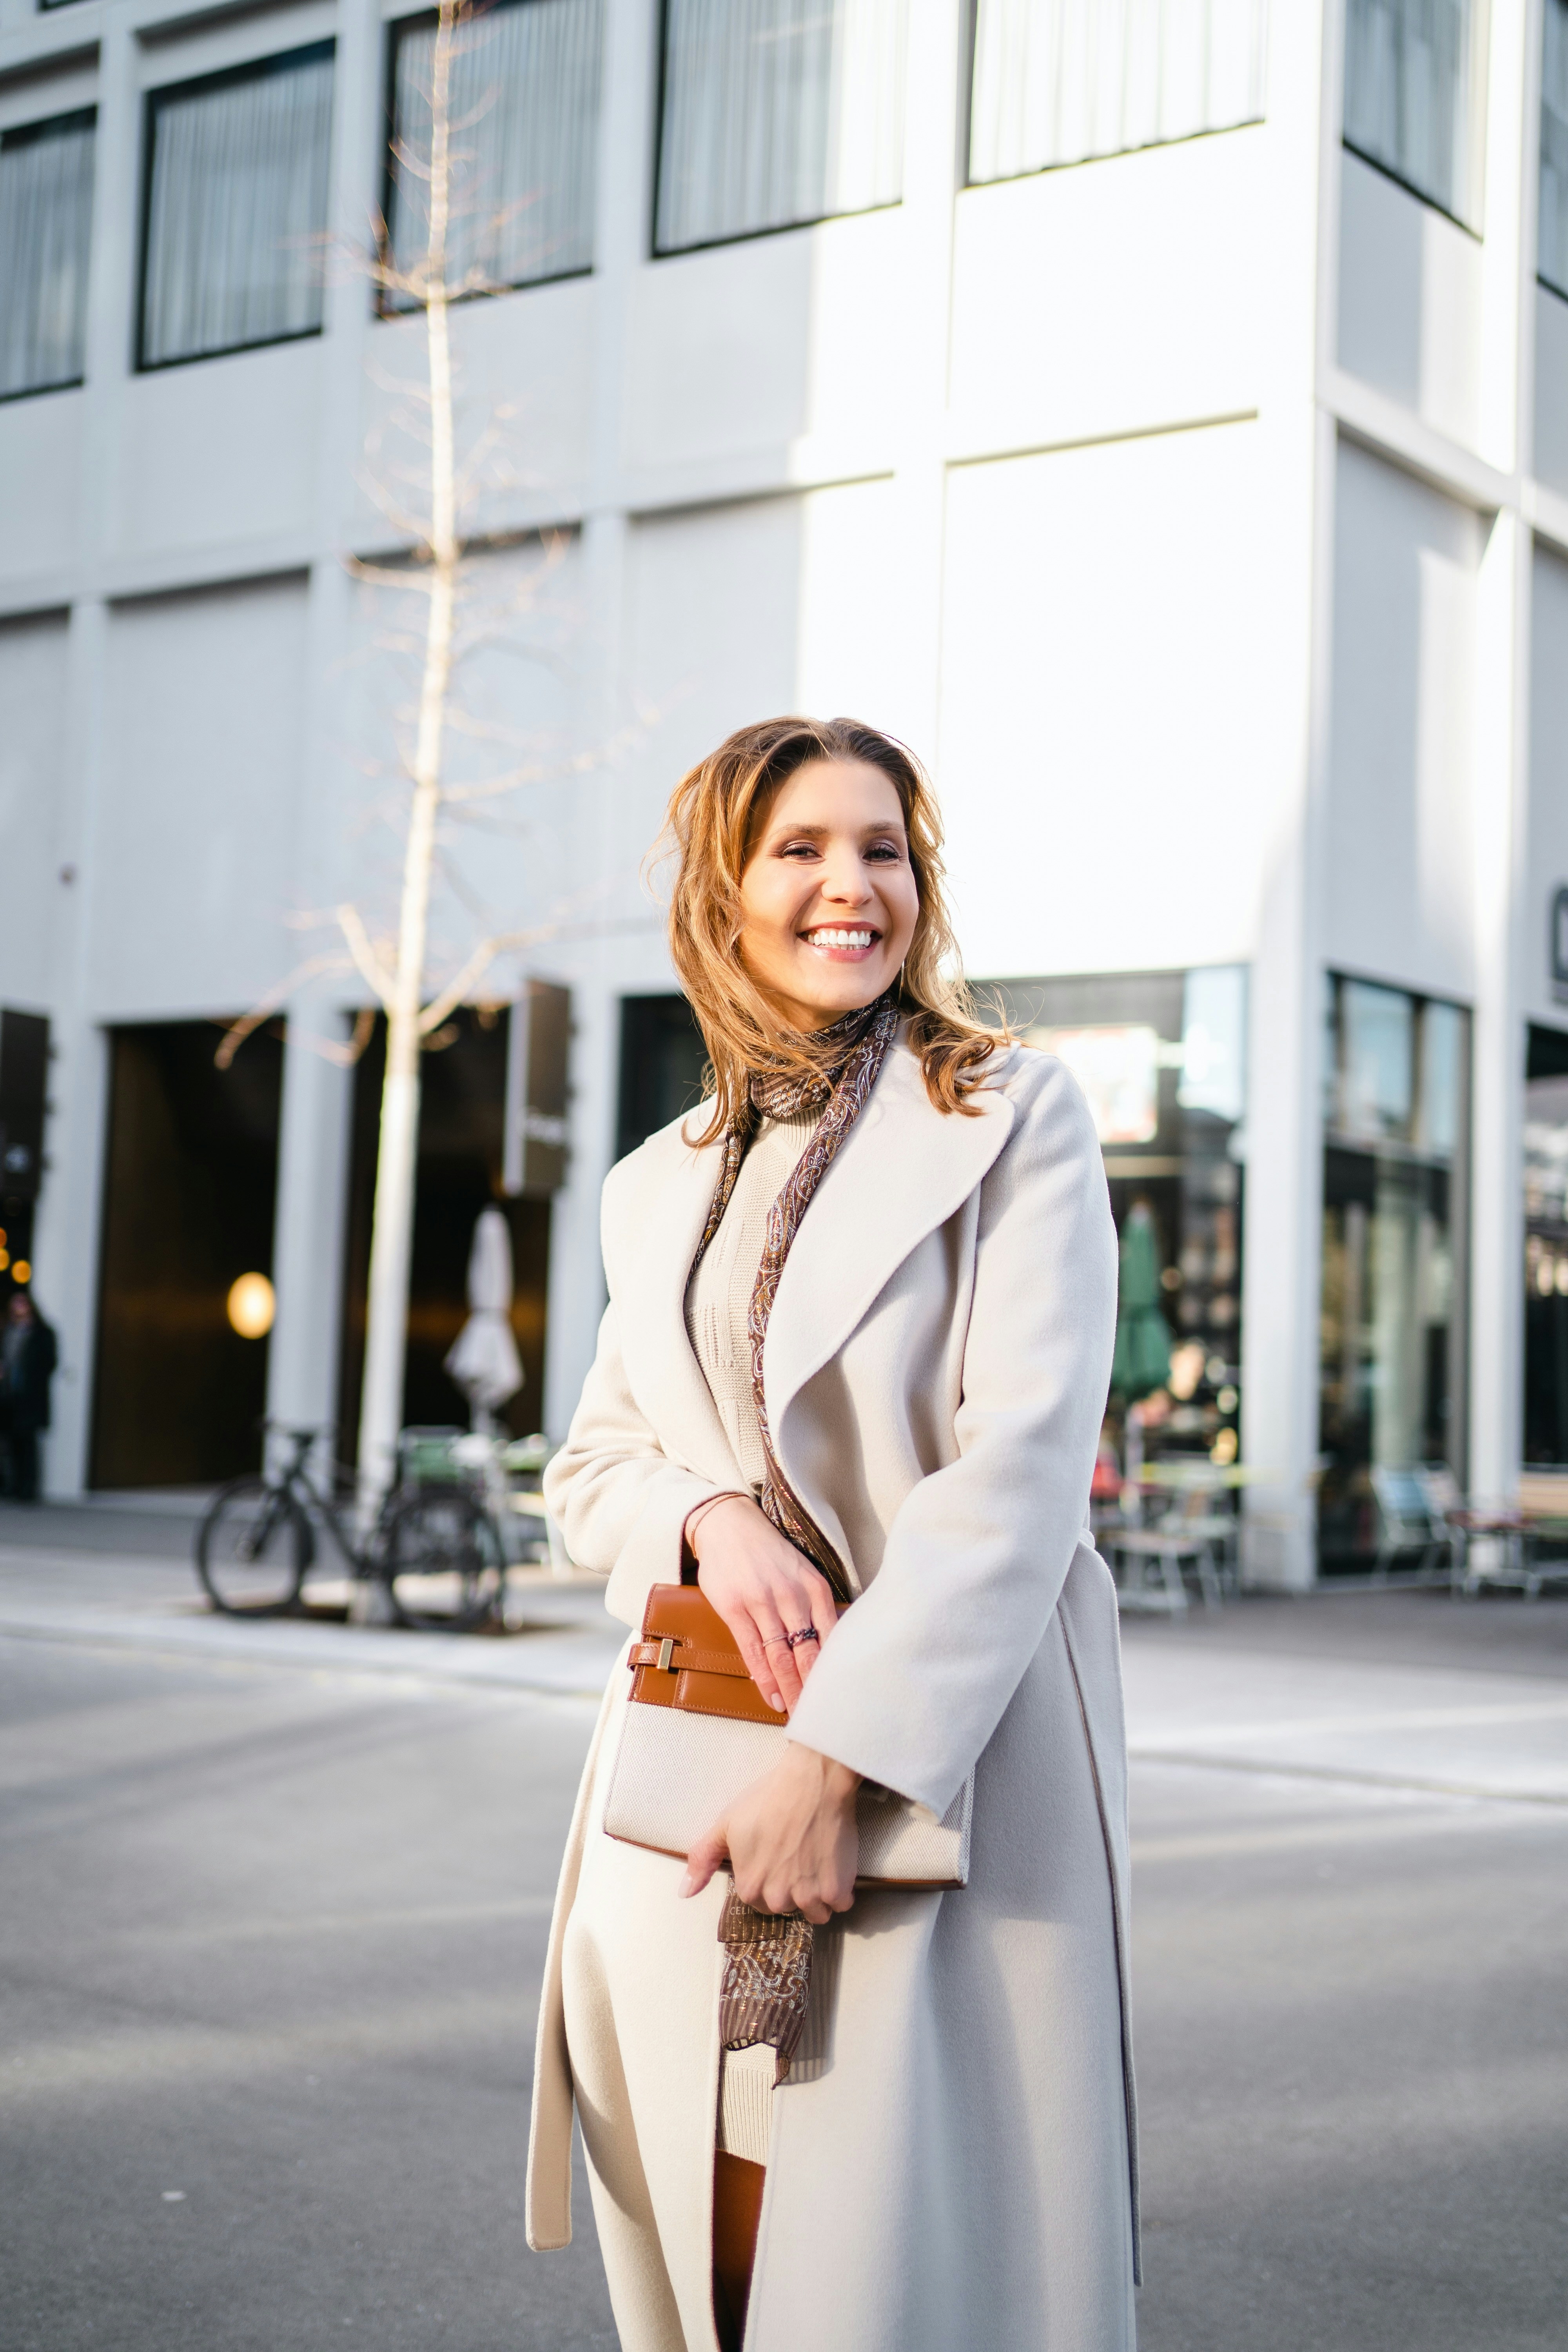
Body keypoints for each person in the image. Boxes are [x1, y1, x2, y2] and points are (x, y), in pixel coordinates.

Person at [528, 718, 1137, 2352]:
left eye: (883, 848)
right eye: (799, 848)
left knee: (902, 2270)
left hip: (937, 1776)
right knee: (710, 2249)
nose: (850, 884)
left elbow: (1019, 1475)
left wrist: (835, 1761)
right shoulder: (659, 1180)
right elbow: (593, 1468)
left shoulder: (1009, 1115)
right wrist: (710, 1517)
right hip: (688, 1786)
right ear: (722, 891)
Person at [0, 1290, 58, 1502]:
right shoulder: (9, 1331)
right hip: (9, 1396)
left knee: (28, 1443)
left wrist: (30, 1379)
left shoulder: (43, 1333)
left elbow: (49, 1363)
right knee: (11, 1442)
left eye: (23, 1303)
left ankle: (29, 1487)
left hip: (30, 1397)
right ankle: (13, 1485)